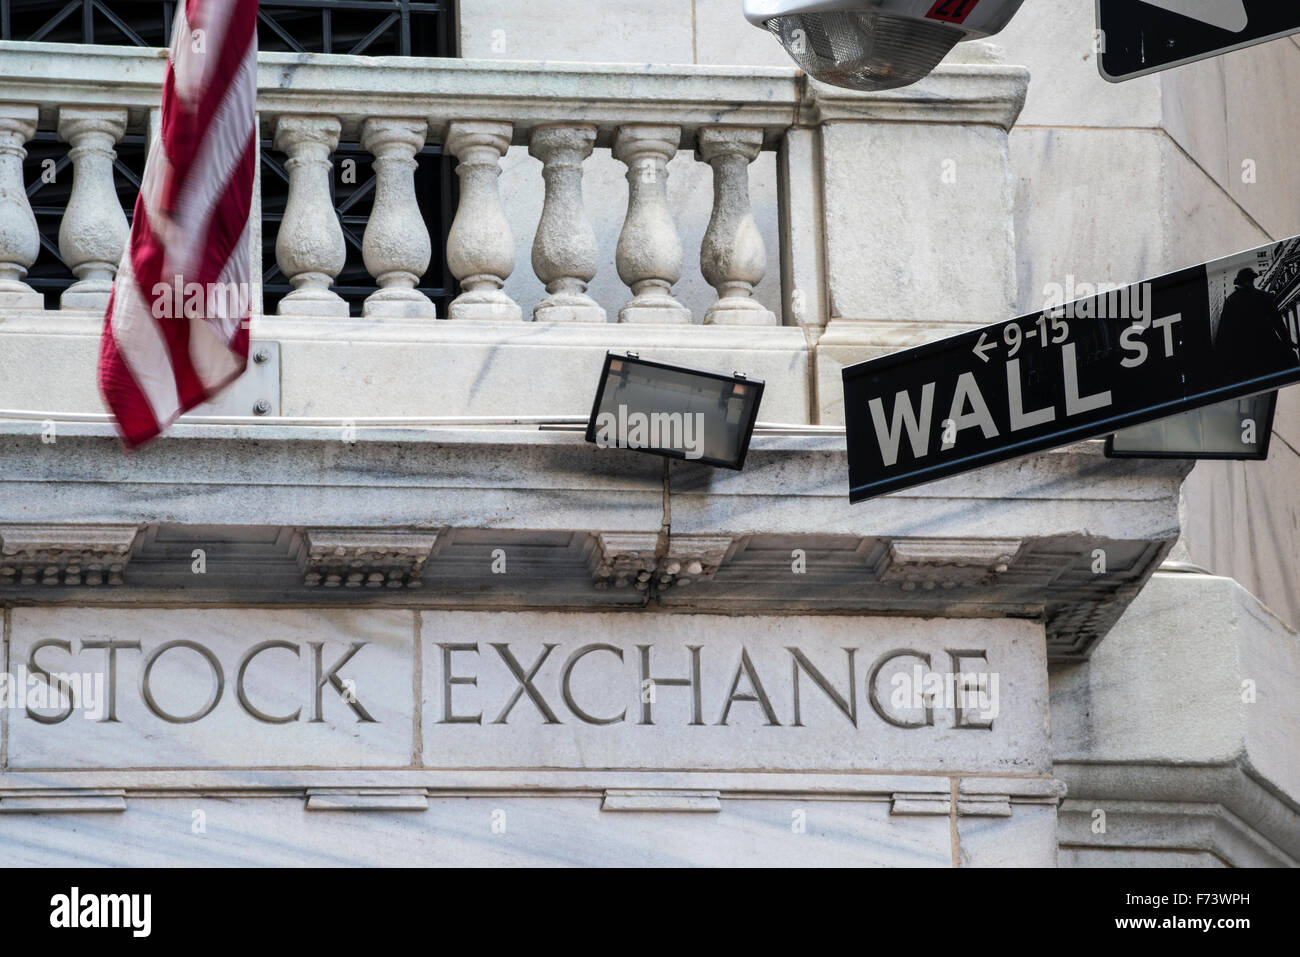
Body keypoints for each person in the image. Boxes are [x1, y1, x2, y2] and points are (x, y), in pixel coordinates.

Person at [1214, 268, 1299, 381]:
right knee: (1288, 366)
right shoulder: (1263, 296)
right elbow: (1278, 323)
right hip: (1268, 345)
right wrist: (1288, 343)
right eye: (1250, 280)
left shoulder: (1231, 301)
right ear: (1249, 280)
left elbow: (1223, 332)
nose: (1250, 282)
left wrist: (1223, 358)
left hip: (1246, 352)